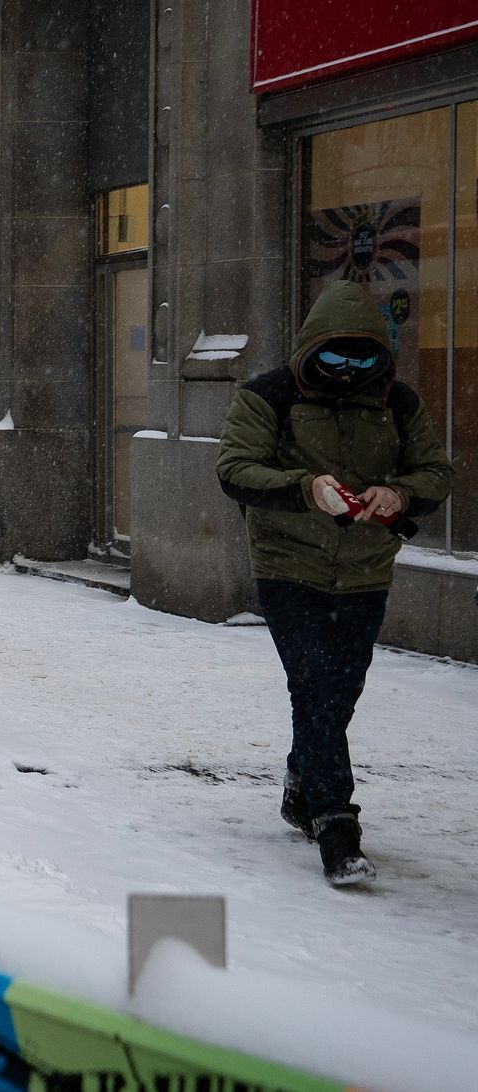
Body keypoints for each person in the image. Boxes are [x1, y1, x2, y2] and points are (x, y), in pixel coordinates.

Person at [216, 281, 452, 888]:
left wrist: (401, 493)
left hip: (367, 571)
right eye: (335, 359)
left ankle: (301, 781)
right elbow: (236, 470)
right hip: (288, 568)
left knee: (338, 691)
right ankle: (336, 825)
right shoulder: (268, 394)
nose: (348, 374)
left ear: (381, 354)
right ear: (311, 349)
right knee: (317, 685)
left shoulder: (397, 403)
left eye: (363, 359)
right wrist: (305, 488)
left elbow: (435, 470)